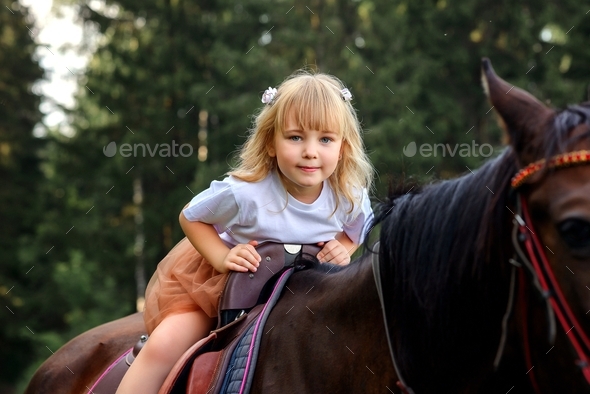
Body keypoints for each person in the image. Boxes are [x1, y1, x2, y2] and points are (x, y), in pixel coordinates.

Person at [115, 70, 374, 393]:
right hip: (223, 283)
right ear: (270, 143)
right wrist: (223, 257)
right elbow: (191, 217)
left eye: (325, 139)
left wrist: (343, 249)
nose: (310, 151)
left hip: (305, 289)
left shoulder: (348, 195)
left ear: (343, 147)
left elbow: (358, 230)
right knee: (164, 346)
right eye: (295, 137)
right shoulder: (246, 193)